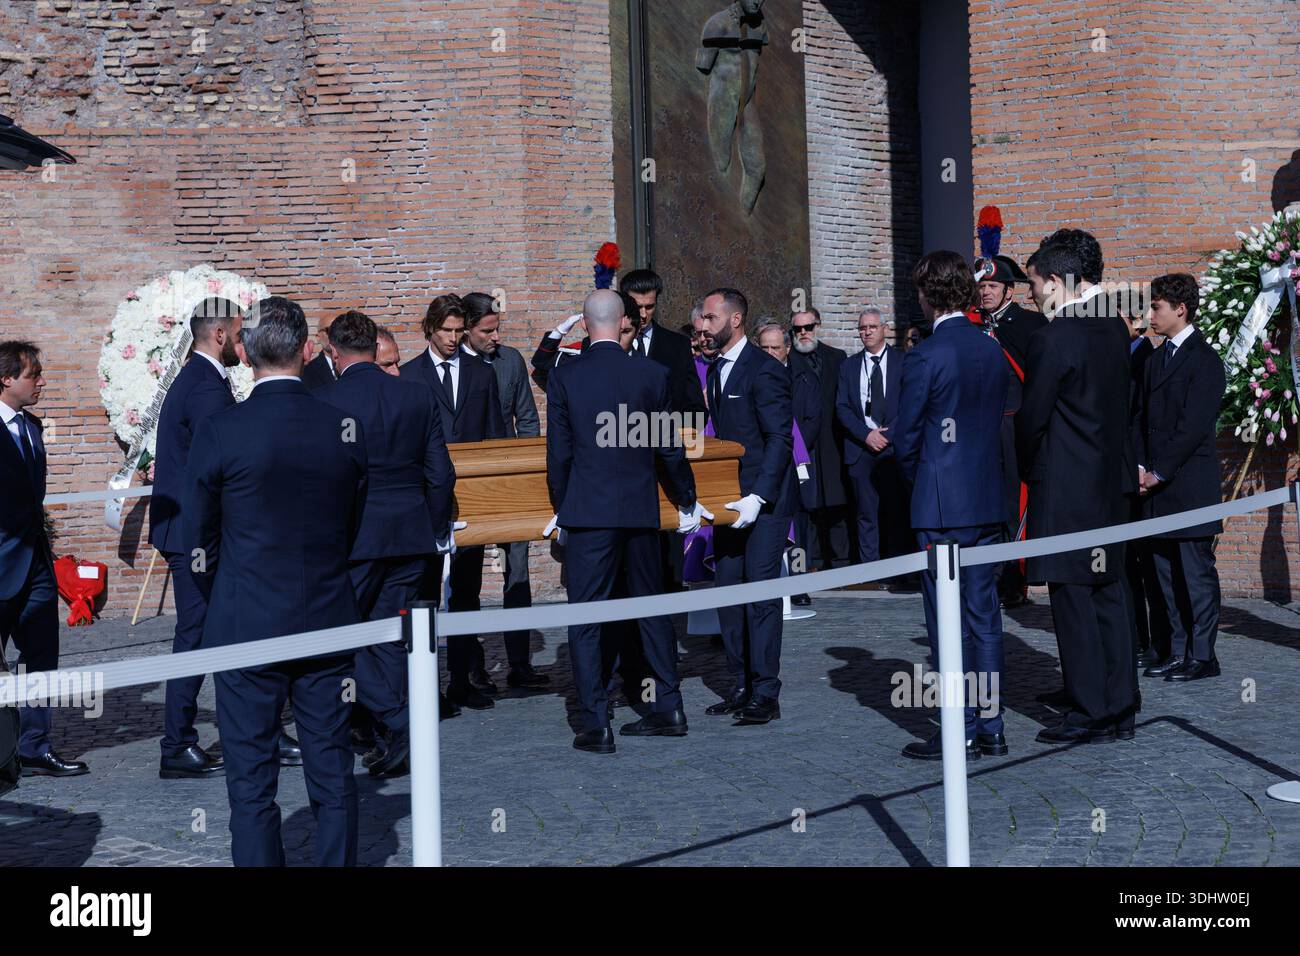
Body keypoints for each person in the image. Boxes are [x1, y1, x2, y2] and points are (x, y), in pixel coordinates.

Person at [184, 296, 366, 866]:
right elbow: (355, 523)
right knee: (332, 767)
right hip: (327, 617)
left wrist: (222, 595)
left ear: (242, 349)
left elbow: (198, 537)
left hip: (245, 621)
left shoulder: (221, 431)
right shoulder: (343, 427)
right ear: (309, 351)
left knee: (251, 777)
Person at [546, 290, 705, 753]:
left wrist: (563, 507)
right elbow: (669, 449)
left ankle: (596, 723)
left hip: (589, 512)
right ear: (621, 324)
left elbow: (560, 454)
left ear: (585, 327)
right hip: (639, 510)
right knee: (651, 607)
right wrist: (686, 498)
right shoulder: (650, 374)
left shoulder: (567, 378)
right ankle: (669, 706)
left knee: (587, 616)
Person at [317, 310, 457, 777]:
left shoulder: (326, 400)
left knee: (345, 637)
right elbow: (441, 473)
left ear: (334, 352)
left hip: (356, 539)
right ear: (374, 349)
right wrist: (434, 529)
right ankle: (399, 731)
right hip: (411, 534)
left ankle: (399, 721)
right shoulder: (416, 396)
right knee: (391, 638)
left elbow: (331, 481)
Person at [1018, 228, 1139, 744]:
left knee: (1072, 600)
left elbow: (1032, 418)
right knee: (1111, 593)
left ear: (1055, 280)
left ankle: (1090, 709)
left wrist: (1028, 467)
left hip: (1068, 487)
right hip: (1109, 484)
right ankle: (1120, 705)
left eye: (1037, 283)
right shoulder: (1113, 325)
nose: (1035, 293)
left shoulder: (1053, 336)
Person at [891, 252, 1009, 760]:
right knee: (985, 618)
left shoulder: (926, 354)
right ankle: (992, 725)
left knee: (947, 624)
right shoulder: (990, 348)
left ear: (925, 294)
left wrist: (918, 484)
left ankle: (958, 727)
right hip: (987, 497)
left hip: (942, 505)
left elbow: (907, 439)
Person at [150, 298, 259, 779]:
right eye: (239, 335)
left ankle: (251, 731)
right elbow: (222, 467)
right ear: (220, 335)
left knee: (221, 632)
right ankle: (177, 743)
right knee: (195, 638)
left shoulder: (199, 379)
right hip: (196, 536)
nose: (243, 344)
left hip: (192, 532)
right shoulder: (205, 388)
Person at [400, 294, 505, 709]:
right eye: (446, 330)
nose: (453, 338)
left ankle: (462, 679)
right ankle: (427, 687)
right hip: (425, 500)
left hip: (472, 500)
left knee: (467, 592)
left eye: (459, 331)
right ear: (430, 329)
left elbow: (496, 435)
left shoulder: (482, 373)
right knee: (423, 595)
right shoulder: (408, 376)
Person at [696, 288, 795, 724]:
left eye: (711, 318)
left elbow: (779, 439)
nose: (703, 325)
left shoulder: (764, 370)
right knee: (729, 591)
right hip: (729, 502)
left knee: (760, 593)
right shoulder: (716, 371)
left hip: (765, 502)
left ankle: (765, 693)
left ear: (735, 320)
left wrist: (759, 496)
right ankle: (740, 683)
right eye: (702, 319)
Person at [0, 341, 88, 778]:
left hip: (35, 565)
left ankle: (35, 744)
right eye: (34, 374)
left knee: (42, 656)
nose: (42, 381)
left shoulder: (32, 427)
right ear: (7, 378)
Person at [1132, 273, 1226, 682]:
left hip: (1188, 486)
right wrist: (1138, 466)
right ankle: (1173, 648)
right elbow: (1139, 418)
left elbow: (1192, 427)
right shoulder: (1154, 359)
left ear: (1180, 309)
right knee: (1163, 575)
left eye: (1156, 307)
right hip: (1153, 487)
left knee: (1195, 574)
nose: (1150, 314)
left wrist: (1157, 472)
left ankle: (1203, 655)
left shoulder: (1204, 360)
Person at [460, 291, 549, 690]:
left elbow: (527, 419)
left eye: (498, 329)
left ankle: (519, 662)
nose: (495, 337)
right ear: (466, 328)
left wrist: (526, 476)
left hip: (511, 480)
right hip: (466, 484)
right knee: (465, 577)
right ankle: (470, 666)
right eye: (487, 331)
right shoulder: (454, 364)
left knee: (518, 573)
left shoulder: (510, 361)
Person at [975, 255, 1047, 608]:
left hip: (1013, 425)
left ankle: (1014, 579)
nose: (985, 292)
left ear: (1008, 291)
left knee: (1012, 504)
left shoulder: (1030, 324)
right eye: (982, 286)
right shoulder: (971, 326)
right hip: (980, 428)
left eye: (992, 286)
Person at [836, 307, 907, 570]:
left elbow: (910, 404)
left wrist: (888, 435)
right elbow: (841, 407)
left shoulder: (903, 362)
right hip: (861, 448)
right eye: (862, 328)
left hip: (894, 447)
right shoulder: (849, 365)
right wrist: (866, 435)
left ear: (884, 329)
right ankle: (871, 570)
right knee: (866, 514)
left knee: (896, 509)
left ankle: (899, 569)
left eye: (872, 327)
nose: (866, 332)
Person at [756, 320, 817, 604]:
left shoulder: (802, 376)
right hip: (766, 462)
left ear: (787, 349)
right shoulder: (753, 376)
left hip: (797, 460)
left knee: (799, 525)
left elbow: (812, 417)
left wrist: (798, 449)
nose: (769, 353)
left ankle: (798, 584)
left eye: (775, 348)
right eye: (764, 347)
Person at [787, 308, 852, 570]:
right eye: (797, 329)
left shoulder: (837, 357)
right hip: (803, 443)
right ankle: (810, 561)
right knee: (808, 506)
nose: (803, 333)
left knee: (837, 505)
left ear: (818, 326)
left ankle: (841, 561)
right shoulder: (788, 360)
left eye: (808, 327)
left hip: (832, 443)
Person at [622, 269, 708, 418]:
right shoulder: (608, 344)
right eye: (637, 307)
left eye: (649, 307)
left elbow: (697, 410)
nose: (643, 315)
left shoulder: (678, 346)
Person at [301, 312, 338, 390]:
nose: (335, 334)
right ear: (318, 337)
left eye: (339, 329)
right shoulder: (307, 372)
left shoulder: (353, 367)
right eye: (329, 330)